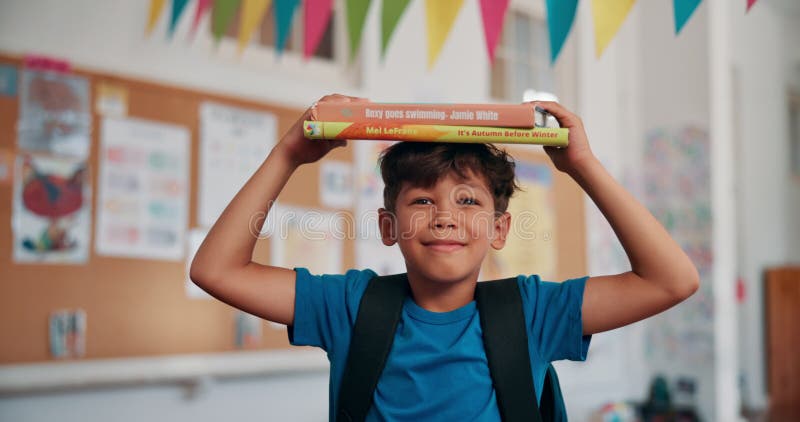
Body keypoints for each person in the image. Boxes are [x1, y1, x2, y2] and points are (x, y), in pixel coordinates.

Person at [190, 94, 700, 421]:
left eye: (468, 200)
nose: (445, 217)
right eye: (422, 200)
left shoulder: (532, 312)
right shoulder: (349, 305)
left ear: (500, 229)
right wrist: (288, 155)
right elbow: (216, 270)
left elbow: (672, 280)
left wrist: (583, 166)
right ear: (389, 227)